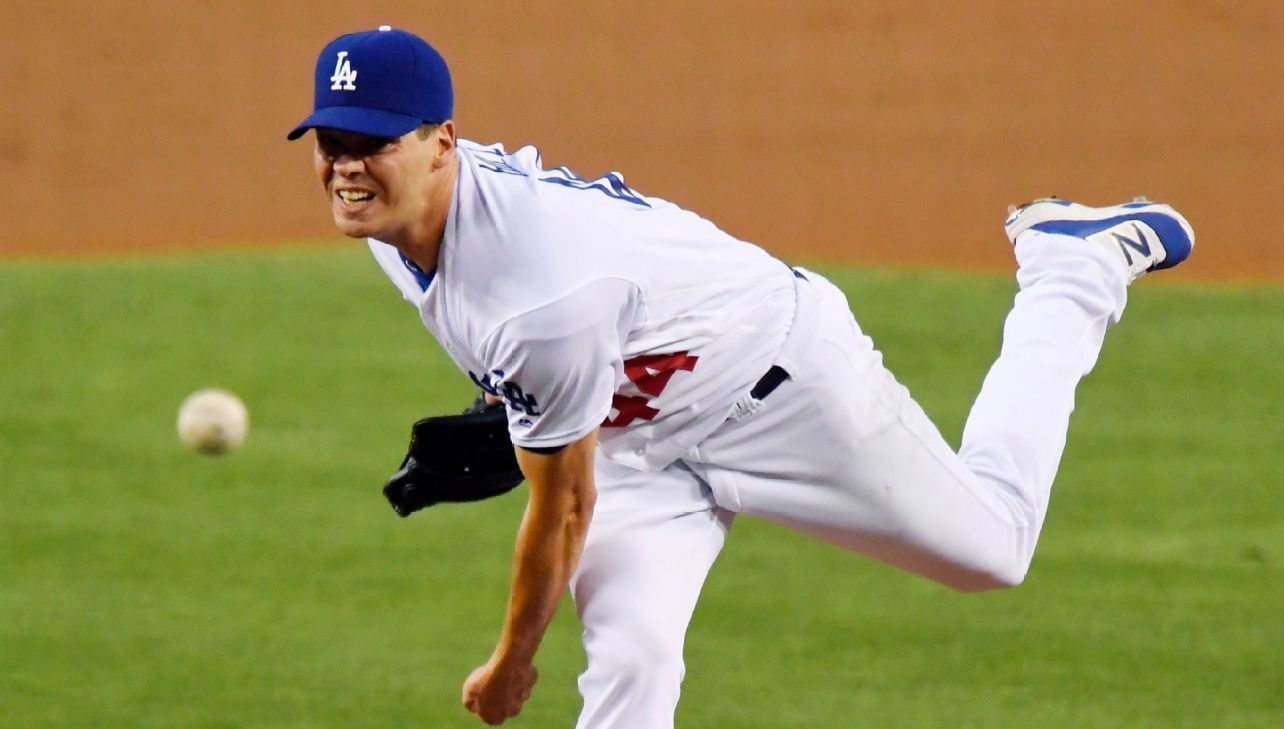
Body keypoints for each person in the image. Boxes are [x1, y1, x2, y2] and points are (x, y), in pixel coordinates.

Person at [287, 26, 1195, 728]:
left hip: (782, 387)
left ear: (444, 141)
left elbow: (561, 505)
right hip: (636, 441)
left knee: (994, 551)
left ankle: (1068, 269)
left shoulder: (540, 295)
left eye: (372, 141)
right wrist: (517, 403)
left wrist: (512, 663)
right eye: (330, 140)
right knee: (631, 668)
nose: (345, 166)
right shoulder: (394, 220)